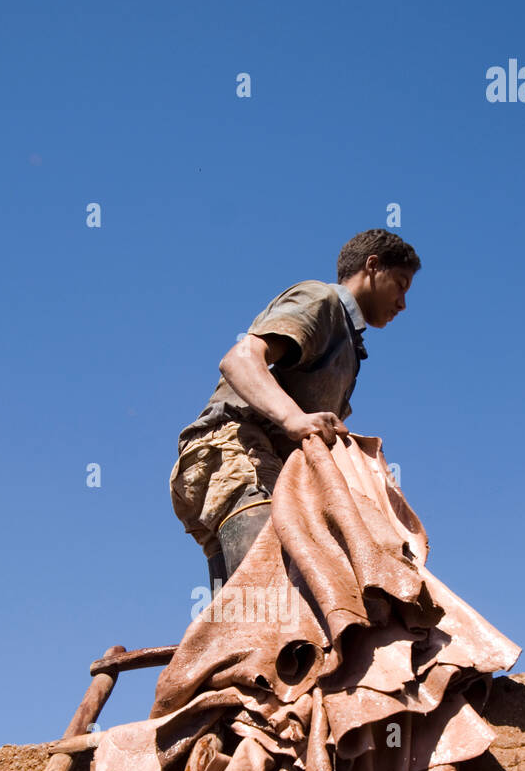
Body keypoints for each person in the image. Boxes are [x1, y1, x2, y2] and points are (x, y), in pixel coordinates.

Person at [170, 228, 421, 583]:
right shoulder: (321, 301)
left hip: (255, 468)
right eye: (400, 284)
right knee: (277, 590)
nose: (402, 303)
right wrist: (293, 418)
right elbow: (240, 359)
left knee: (243, 613)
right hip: (235, 451)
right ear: (372, 266)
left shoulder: (349, 346)